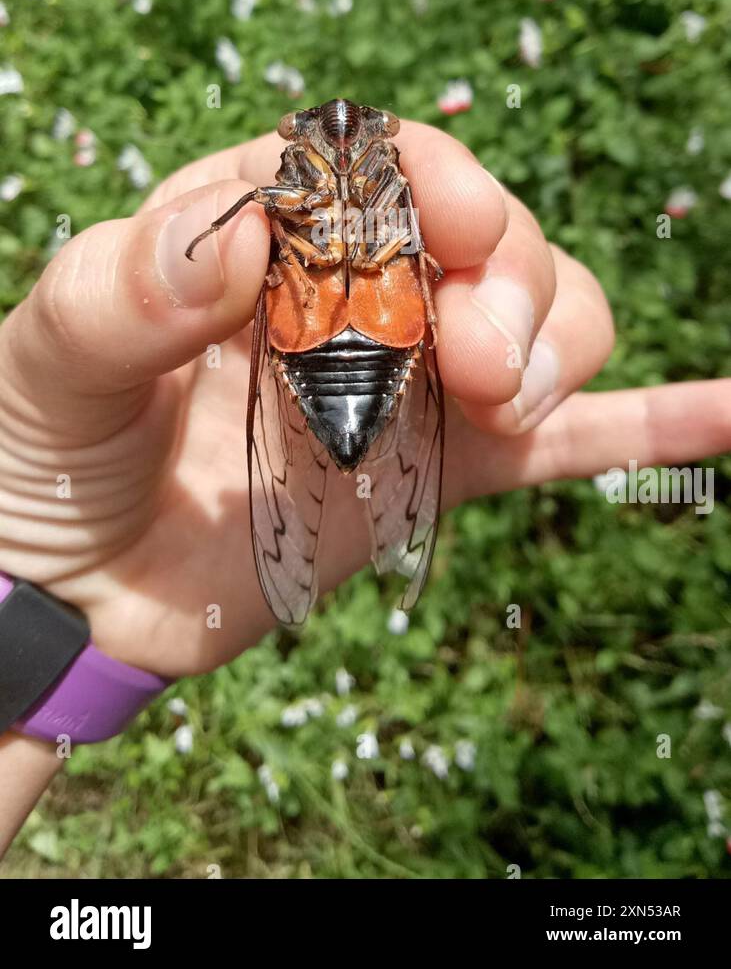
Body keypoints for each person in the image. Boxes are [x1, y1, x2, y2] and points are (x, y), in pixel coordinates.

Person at [1, 120, 728, 858]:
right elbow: (256, 209)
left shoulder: (397, 187)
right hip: (308, 343)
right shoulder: (284, 188)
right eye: (313, 141)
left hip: (380, 333)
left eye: (364, 142)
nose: (342, 149)